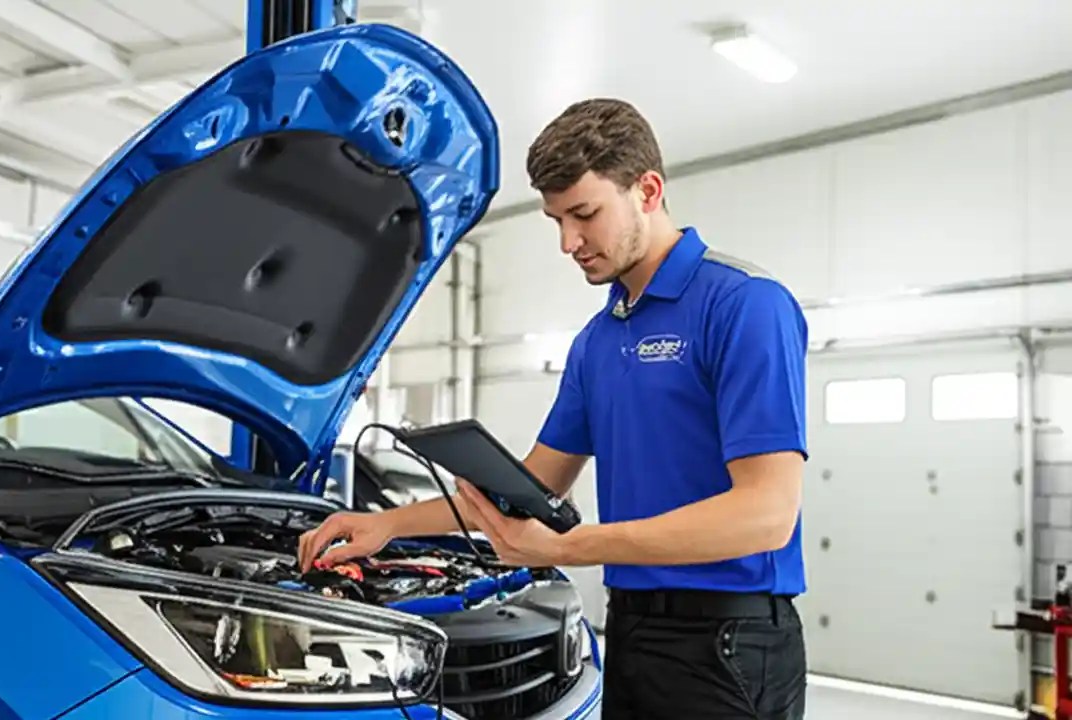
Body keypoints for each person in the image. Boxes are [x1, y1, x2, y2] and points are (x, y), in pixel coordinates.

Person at [298, 98, 809, 719]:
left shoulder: (745, 306)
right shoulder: (597, 341)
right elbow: (532, 482)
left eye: (584, 214)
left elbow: (765, 515)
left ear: (647, 190)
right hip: (631, 633)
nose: (569, 242)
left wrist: (570, 547)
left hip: (730, 645)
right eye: (555, 220)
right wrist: (388, 525)